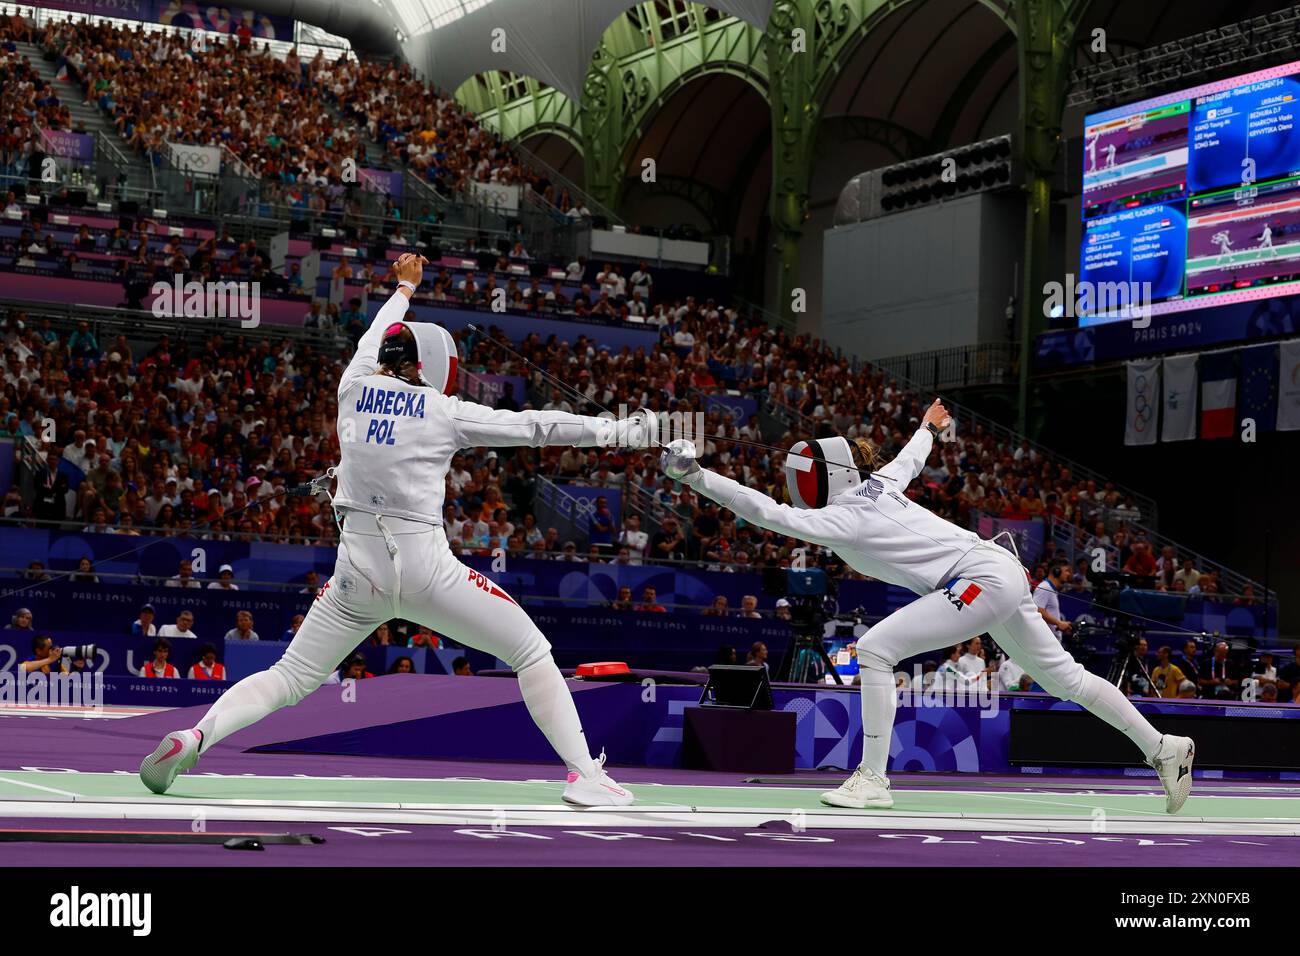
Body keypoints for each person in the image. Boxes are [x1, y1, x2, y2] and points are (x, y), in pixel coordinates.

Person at [140, 253, 654, 807]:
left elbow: (370, 337)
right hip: (426, 571)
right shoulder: (443, 410)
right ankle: (584, 776)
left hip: (355, 575)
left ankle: (197, 737)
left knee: (289, 675)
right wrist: (622, 431)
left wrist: (404, 288)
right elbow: (535, 427)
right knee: (529, 650)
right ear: (432, 364)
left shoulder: (351, 387)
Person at [659, 398, 1195, 814]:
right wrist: (928, 426)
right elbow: (910, 459)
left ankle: (872, 778)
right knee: (1067, 680)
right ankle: (1163, 747)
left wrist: (696, 476)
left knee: (872, 652)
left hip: (977, 578)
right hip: (997, 571)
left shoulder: (843, 518)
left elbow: (766, 512)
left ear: (824, 479)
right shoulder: (881, 487)